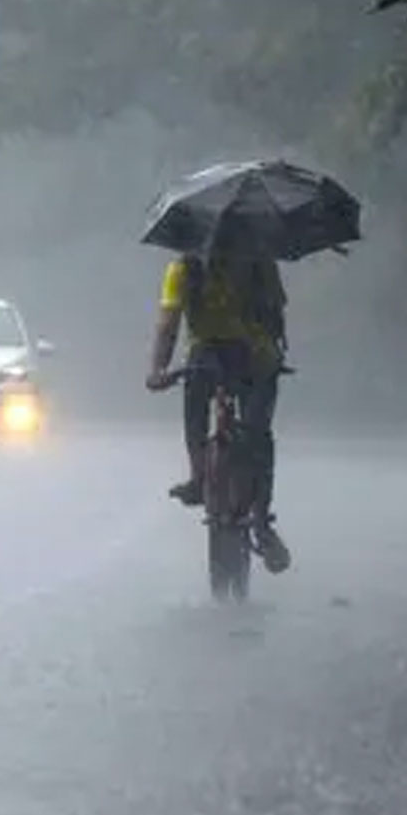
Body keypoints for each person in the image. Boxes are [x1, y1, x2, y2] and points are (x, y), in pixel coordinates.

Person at [145, 222, 291, 574]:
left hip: (226, 355)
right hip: (246, 355)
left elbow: (169, 324)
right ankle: (257, 518)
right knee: (257, 432)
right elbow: (276, 314)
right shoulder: (258, 262)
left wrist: (159, 369)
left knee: (215, 411)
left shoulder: (185, 267)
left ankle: (207, 482)